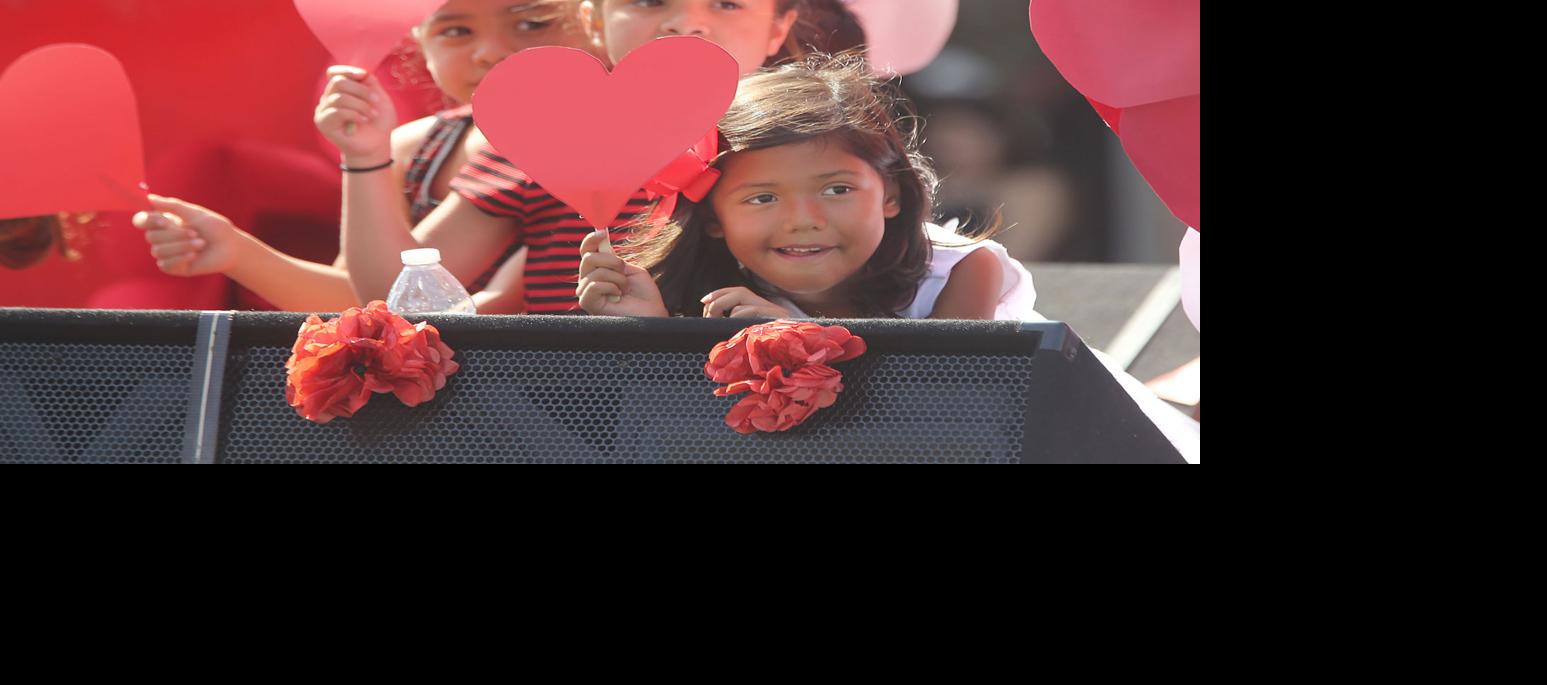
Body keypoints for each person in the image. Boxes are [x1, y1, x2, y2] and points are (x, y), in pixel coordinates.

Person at [329, 0, 869, 313]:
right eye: (649, 0)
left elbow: (894, 287)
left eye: (726, 2)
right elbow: (394, 290)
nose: (685, 22)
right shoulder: (544, 134)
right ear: (593, 18)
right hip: (569, 407)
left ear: (780, 24)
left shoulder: (820, 139)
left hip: (769, 407)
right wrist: (366, 153)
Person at [131, 0, 593, 312]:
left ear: (593, 20)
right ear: (418, 44)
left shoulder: (588, 137)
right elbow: (365, 300)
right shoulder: (412, 150)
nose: (490, 52)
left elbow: (447, 311)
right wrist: (236, 252)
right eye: (456, 30)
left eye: (533, 21)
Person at [576, 54, 1038, 320]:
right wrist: (651, 333)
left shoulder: (959, 271)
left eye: (837, 190)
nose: (803, 220)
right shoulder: (703, 295)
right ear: (714, 219)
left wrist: (802, 336)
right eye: (763, 198)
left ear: (891, 195)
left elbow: (948, 406)